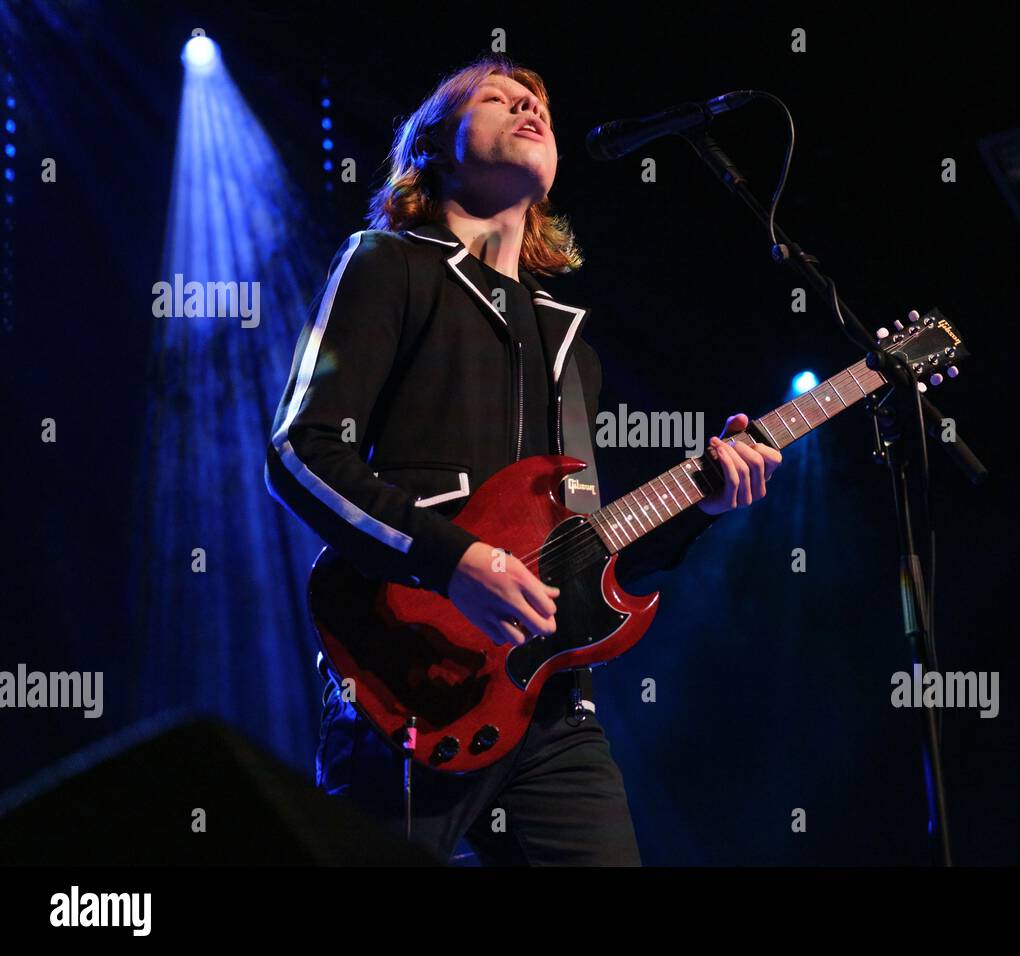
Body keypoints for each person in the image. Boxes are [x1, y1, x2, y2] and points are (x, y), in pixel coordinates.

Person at [265, 53, 782, 865]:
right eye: (499, 98)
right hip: (409, 677)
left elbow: (585, 550)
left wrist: (703, 507)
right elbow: (300, 452)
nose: (529, 107)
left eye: (538, 101)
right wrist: (455, 560)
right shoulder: (387, 262)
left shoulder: (568, 342)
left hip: (550, 714)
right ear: (432, 146)